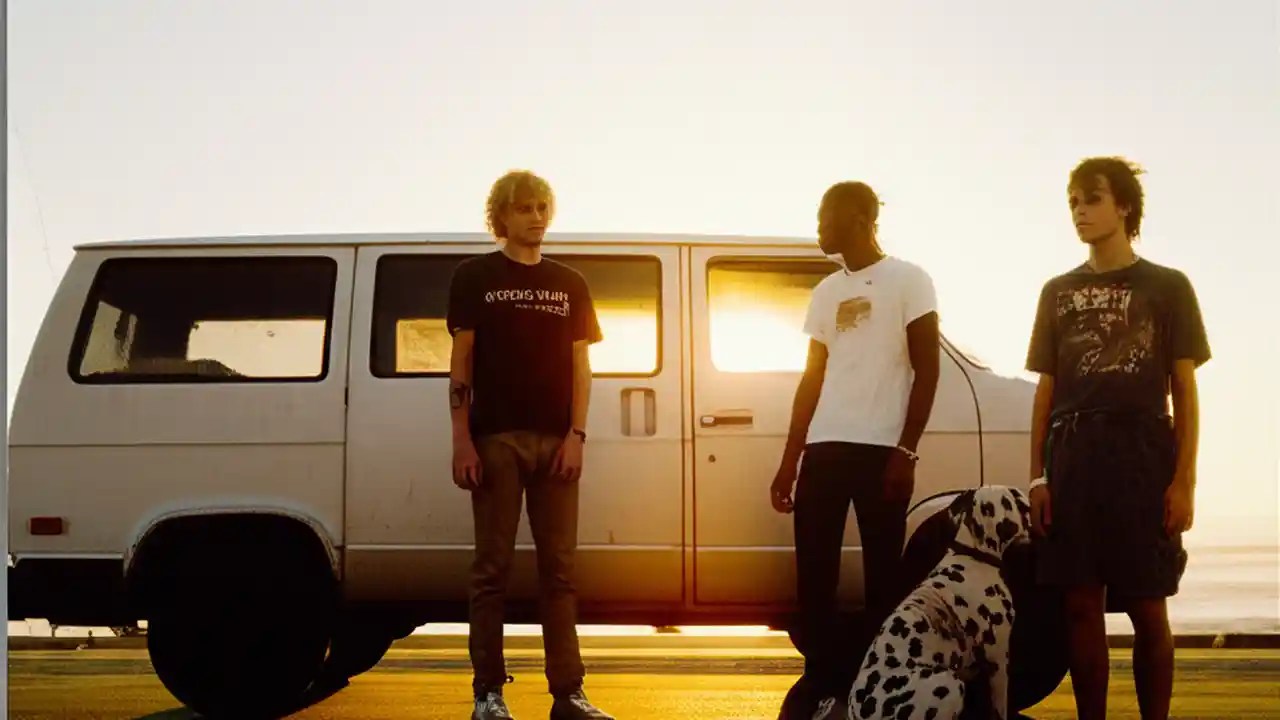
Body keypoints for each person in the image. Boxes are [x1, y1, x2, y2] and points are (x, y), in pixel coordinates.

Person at [1025, 156, 1210, 720]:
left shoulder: (1168, 286)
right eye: (1073, 202)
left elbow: (1184, 389)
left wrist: (1184, 480)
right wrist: (1037, 477)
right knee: (1081, 606)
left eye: (1093, 199)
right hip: (1074, 455)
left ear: (1124, 206)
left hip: (1142, 455)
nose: (1079, 211)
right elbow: (1046, 390)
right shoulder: (1057, 291)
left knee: (1148, 607)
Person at [770, 181, 941, 720]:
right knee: (814, 579)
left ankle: (880, 688)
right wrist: (790, 459)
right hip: (824, 450)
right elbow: (811, 378)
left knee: (883, 581)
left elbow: (928, 369)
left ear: (862, 218)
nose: (819, 227)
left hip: (880, 453)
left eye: (827, 216)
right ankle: (822, 687)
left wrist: (906, 451)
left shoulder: (910, 280)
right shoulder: (826, 292)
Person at [447, 169, 614, 720]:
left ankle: (568, 693)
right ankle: (488, 694)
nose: (536, 217)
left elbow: (581, 366)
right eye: (524, 208)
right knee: (490, 572)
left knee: (560, 573)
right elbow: (461, 363)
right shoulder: (474, 276)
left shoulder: (570, 282)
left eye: (542, 207)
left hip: (556, 444)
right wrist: (462, 441)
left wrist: (577, 435)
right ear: (501, 216)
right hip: (496, 441)